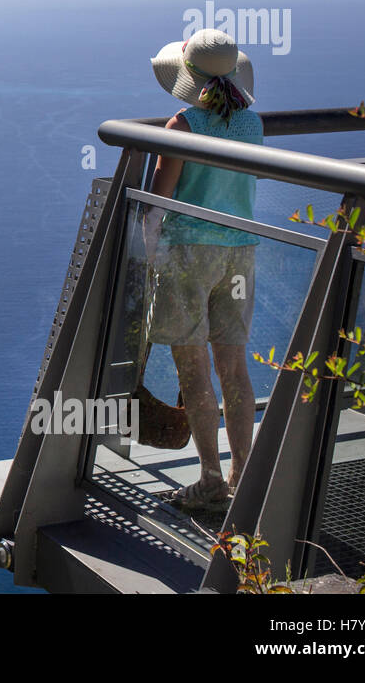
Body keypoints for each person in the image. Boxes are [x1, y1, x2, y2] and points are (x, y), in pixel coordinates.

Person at [143, 28, 262, 512]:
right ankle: (244, 474)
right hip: (241, 250)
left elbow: (158, 196)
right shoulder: (253, 125)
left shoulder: (184, 124)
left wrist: (146, 254)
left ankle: (210, 479)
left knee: (193, 370)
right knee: (233, 366)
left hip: (190, 253)